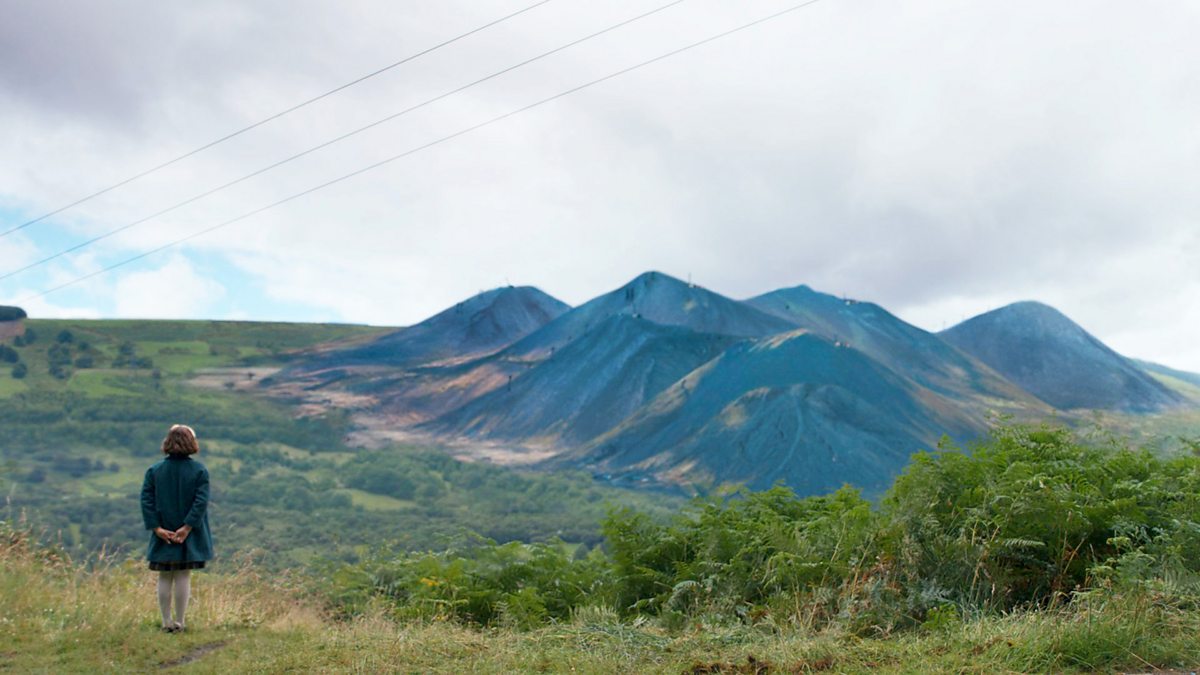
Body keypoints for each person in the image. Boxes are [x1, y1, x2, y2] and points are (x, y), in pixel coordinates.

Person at [140, 424, 213, 633]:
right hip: (189, 532)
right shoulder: (199, 471)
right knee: (183, 575)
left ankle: (166, 622)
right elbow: (200, 502)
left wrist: (156, 528)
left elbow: (146, 501)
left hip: (163, 530)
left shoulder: (154, 470)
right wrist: (187, 527)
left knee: (165, 575)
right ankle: (180, 622)